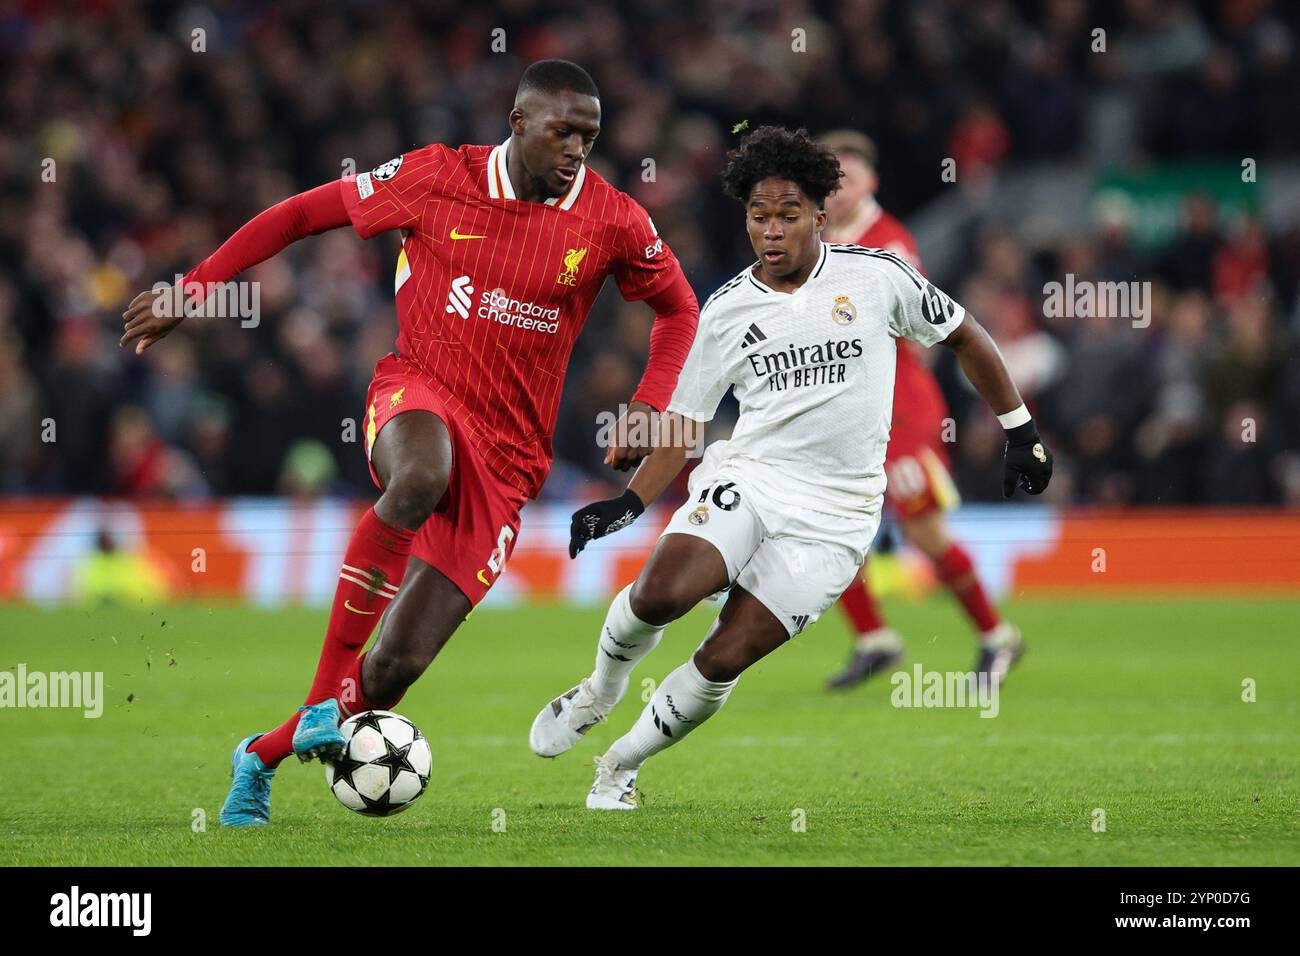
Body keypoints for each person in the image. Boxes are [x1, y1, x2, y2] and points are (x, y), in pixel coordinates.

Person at [121, 60, 699, 826]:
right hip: (417, 391)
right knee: (422, 474)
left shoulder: (613, 218)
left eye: (587, 136)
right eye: (562, 131)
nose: (575, 150)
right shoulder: (435, 176)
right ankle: (321, 699)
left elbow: (679, 310)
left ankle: (258, 756)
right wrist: (194, 287)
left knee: (394, 669)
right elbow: (300, 215)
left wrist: (649, 406)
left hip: (510, 461)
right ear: (518, 121)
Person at [528, 126, 1052, 809]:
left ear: (820, 216)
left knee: (724, 655)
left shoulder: (877, 277)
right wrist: (628, 502)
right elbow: (686, 421)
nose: (771, 230)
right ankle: (599, 690)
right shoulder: (726, 309)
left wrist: (1020, 431)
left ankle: (621, 764)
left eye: (787, 214)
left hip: (838, 516)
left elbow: (966, 336)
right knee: (660, 595)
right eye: (758, 215)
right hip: (750, 480)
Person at [818, 130, 1023, 690]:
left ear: (871, 182)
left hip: (899, 409)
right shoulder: (818, 239)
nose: (837, 190)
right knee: (830, 526)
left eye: (848, 178)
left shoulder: (889, 243)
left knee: (923, 532)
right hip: (845, 408)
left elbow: (906, 324)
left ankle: (998, 634)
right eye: (831, 180)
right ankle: (874, 639)